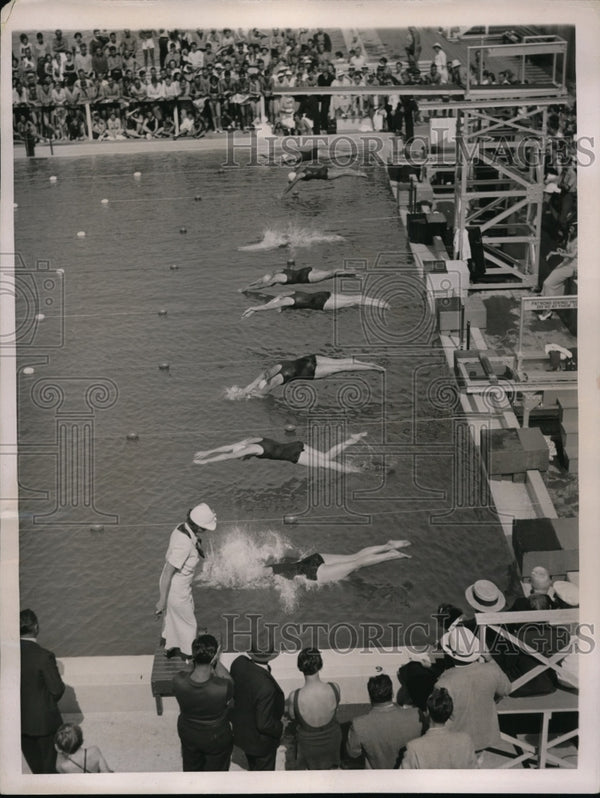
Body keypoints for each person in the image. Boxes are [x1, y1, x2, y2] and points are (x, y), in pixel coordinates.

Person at [155, 503, 218, 661]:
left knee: (174, 619)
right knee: (189, 625)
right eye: (204, 528)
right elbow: (169, 571)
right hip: (176, 589)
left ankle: (170, 649)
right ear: (198, 526)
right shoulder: (184, 543)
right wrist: (162, 600)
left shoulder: (182, 528)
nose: (206, 531)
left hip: (180, 585)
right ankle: (190, 658)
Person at [435, 626, 511, 752]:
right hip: (484, 738)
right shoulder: (491, 670)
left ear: (451, 653)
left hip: (456, 743)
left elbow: (437, 718)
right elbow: (507, 689)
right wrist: (490, 659)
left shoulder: (444, 682)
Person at [173, 634, 234, 771]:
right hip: (216, 737)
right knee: (216, 773)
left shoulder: (178, 681)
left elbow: (188, 672)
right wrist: (216, 660)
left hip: (188, 733)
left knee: (191, 769)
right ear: (214, 657)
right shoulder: (223, 687)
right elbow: (229, 679)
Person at [230, 632, 285, 770]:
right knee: (265, 779)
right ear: (271, 654)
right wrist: (280, 727)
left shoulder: (238, 663)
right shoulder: (266, 687)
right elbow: (264, 724)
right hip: (261, 745)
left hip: (243, 734)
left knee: (254, 767)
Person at [20, 609, 65, 774]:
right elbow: (57, 690)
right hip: (44, 725)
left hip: (19, 723)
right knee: (49, 768)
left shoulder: (7, 655)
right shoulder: (44, 656)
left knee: (35, 768)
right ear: (36, 627)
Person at [193, 431, 368, 473]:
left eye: (242, 457)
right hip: (297, 445)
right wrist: (207, 451)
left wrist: (206, 461)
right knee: (326, 457)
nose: (242, 458)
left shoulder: (252, 449)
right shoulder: (251, 441)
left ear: (244, 453)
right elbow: (229, 448)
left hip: (294, 455)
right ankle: (353, 440)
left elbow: (227, 455)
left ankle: (355, 471)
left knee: (326, 464)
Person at [346, 673, 422, 768]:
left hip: (380, 775)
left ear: (370, 697)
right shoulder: (416, 714)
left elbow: (353, 753)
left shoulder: (358, 724)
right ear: (392, 693)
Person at [233, 354, 384, 398]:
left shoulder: (275, 381)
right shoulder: (274, 369)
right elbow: (261, 376)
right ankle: (366, 363)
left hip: (310, 372)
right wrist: (250, 385)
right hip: (310, 359)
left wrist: (247, 394)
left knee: (340, 369)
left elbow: (263, 393)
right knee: (339, 362)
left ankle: (372, 369)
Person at [286, 648, 341, 769]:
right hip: (332, 740)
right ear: (320, 665)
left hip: (308, 745)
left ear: (300, 667)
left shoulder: (294, 696)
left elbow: (293, 716)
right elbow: (336, 708)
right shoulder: (334, 688)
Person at [266, 541, 411, 585]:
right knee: (354, 557)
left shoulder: (273, 575)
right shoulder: (276, 563)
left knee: (357, 564)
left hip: (315, 573)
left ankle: (391, 555)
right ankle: (387, 546)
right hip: (312, 559)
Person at [401, 688, 478, 769]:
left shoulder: (413, 748)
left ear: (427, 712)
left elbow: (403, 779)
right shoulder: (465, 740)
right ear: (449, 712)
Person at [241, 290, 390, 318]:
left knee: (353, 301)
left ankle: (383, 306)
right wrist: (276, 299)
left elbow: (268, 307)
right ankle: (379, 302)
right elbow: (278, 297)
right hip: (323, 294)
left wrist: (253, 308)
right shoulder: (288, 294)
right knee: (356, 298)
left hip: (322, 302)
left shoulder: (287, 301)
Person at [240, 265, 362, 292]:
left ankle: (354, 271)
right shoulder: (276, 271)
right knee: (331, 274)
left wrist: (247, 289)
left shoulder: (275, 280)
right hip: (308, 270)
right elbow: (261, 280)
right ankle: (354, 275)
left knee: (333, 272)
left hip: (308, 276)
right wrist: (248, 285)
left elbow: (262, 285)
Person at [284, 164, 367, 194]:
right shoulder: (300, 174)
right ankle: (359, 173)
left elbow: (291, 182)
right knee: (344, 172)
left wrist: (283, 193)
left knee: (344, 172)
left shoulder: (299, 174)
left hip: (325, 172)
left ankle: (359, 174)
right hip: (325, 172)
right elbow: (291, 183)